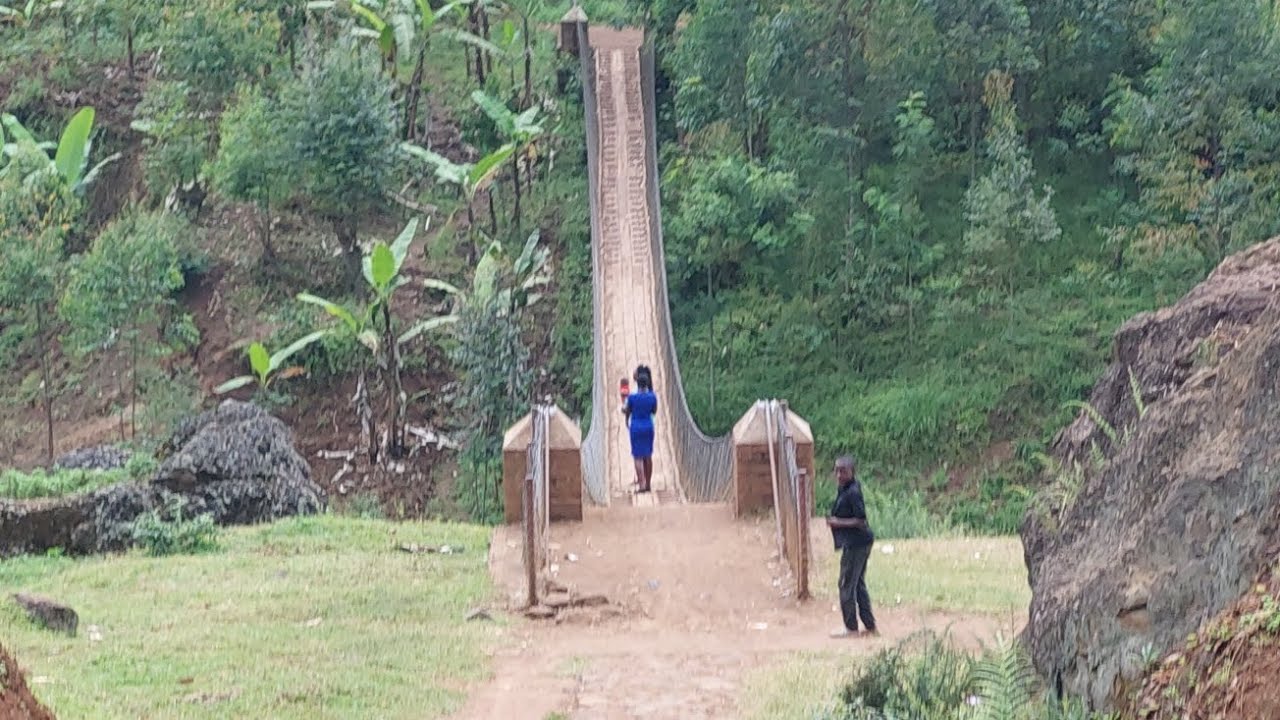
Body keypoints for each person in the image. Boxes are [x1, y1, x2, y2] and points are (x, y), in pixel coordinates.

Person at [826, 455, 877, 638]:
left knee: (846, 583)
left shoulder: (853, 492)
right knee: (858, 584)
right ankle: (869, 625)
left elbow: (861, 520)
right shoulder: (845, 489)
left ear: (852, 472)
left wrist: (837, 522)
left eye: (843, 471)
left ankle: (851, 628)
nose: (839, 475)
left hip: (857, 543)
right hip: (857, 542)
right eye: (837, 470)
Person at [621, 364, 657, 493]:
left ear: (637, 383)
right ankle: (648, 484)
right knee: (648, 455)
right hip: (648, 426)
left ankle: (641, 485)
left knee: (637, 456)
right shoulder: (652, 396)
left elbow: (626, 410)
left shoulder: (632, 397)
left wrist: (625, 415)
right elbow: (654, 411)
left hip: (635, 427)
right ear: (647, 383)